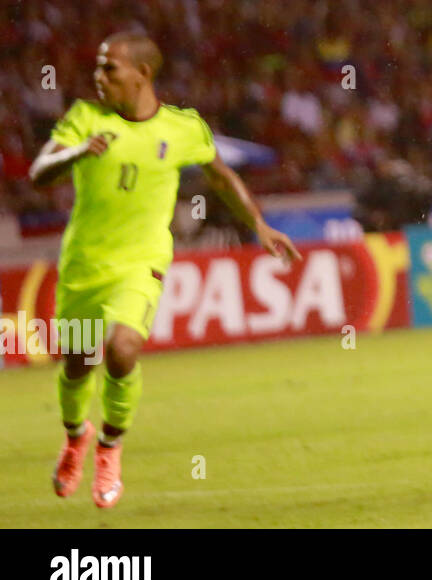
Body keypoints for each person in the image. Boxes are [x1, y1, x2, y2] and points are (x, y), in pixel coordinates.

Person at [28, 31, 300, 508]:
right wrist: (77, 151)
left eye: (109, 68)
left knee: (122, 348)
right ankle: (76, 436)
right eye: (96, 67)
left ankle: (110, 446)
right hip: (83, 265)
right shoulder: (84, 118)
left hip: (141, 262)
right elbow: (39, 172)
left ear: (142, 74)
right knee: (77, 362)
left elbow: (219, 174)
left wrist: (258, 222)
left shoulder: (181, 128)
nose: (99, 77)